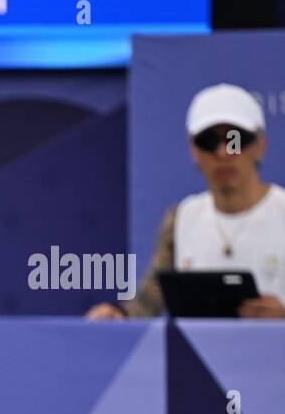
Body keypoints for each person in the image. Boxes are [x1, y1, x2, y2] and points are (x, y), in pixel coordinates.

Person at [87, 83, 285, 320]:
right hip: (198, 356)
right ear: (193, 150)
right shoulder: (181, 218)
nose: (223, 153)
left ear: (260, 146)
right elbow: (152, 295)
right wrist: (118, 314)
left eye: (235, 140)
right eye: (209, 141)